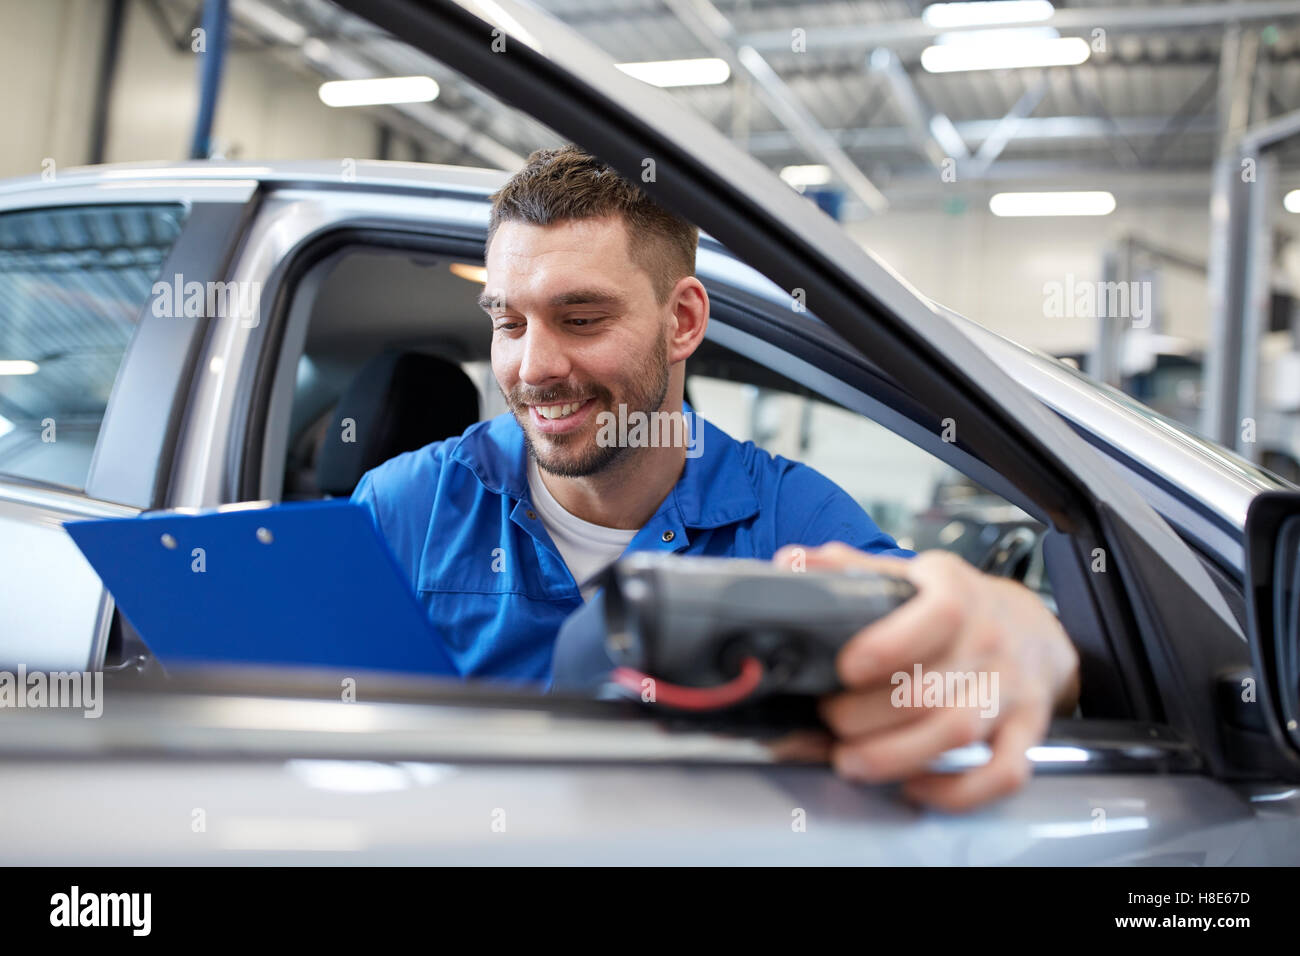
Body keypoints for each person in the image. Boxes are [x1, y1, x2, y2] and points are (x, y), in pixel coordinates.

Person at [352, 144, 1079, 811]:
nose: (533, 368)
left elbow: (948, 637)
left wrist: (1026, 636)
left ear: (684, 321)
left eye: (580, 319)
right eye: (509, 324)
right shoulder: (403, 509)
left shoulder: (784, 519)